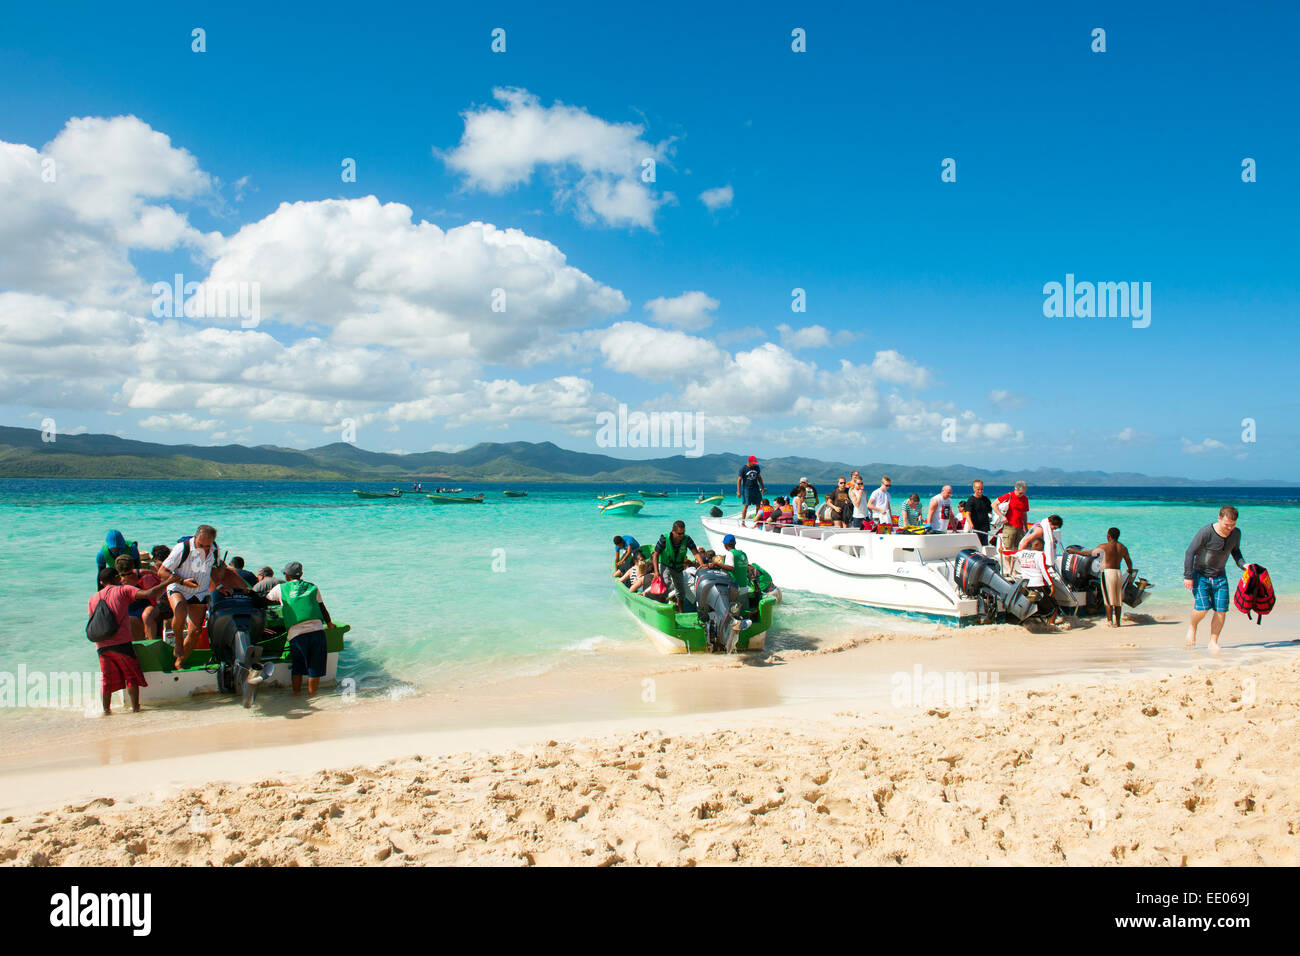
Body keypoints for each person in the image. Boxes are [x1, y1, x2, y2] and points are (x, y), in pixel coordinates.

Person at [89, 566, 173, 714]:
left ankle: (106, 711)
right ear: (117, 578)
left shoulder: (93, 598)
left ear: (101, 582)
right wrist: (169, 581)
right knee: (131, 677)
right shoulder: (123, 590)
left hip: (101, 645)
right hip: (121, 643)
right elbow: (149, 593)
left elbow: (92, 620)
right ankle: (135, 709)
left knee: (106, 680)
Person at [155, 524, 219, 670]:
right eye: (200, 545)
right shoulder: (182, 549)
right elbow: (162, 572)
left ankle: (180, 661)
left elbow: (214, 570)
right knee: (180, 610)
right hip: (178, 587)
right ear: (195, 538)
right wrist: (183, 581)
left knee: (196, 631)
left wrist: (220, 587)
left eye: (207, 546)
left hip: (200, 591)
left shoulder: (215, 549)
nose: (204, 548)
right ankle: (178, 643)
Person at [1183, 506, 1247, 652]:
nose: (1230, 528)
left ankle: (1213, 641)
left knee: (1221, 610)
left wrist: (1244, 565)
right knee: (1202, 608)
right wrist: (1188, 576)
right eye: (1227, 524)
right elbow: (1190, 552)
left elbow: (1235, 551)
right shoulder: (1207, 532)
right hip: (1200, 575)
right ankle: (1193, 627)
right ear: (1219, 518)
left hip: (1220, 576)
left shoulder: (1236, 533)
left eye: (1233, 525)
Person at [265, 561, 333, 696]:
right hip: (317, 631)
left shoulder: (280, 588)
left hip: (297, 634)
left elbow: (267, 599)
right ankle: (312, 694)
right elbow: (322, 608)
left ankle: (297, 695)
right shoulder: (312, 586)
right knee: (315, 667)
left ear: (286, 575)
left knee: (298, 667)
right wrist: (329, 623)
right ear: (301, 574)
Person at [652, 521, 700, 613]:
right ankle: (662, 610)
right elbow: (655, 555)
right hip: (665, 565)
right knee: (665, 585)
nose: (682, 535)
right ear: (673, 532)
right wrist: (656, 571)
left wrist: (702, 564)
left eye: (683, 533)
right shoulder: (664, 539)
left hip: (678, 567)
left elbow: (695, 553)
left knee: (681, 592)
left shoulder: (687, 539)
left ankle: (681, 612)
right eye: (679, 533)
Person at [1013, 540, 1063, 625]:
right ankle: (1051, 625)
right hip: (1039, 585)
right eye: (1042, 547)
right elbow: (1044, 571)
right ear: (1036, 545)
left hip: (1026, 586)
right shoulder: (1039, 555)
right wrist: (1051, 585)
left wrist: (1001, 550)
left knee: (1029, 606)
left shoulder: (1022, 553)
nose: (1042, 549)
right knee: (1054, 607)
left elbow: (1008, 553)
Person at [1091, 528, 1133, 627]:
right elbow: (1128, 560)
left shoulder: (1104, 546)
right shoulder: (1122, 547)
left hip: (1107, 573)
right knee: (1118, 599)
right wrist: (1130, 569)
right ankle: (1117, 623)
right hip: (1118, 573)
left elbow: (1089, 553)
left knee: (1108, 599)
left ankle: (1110, 622)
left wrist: (1075, 551)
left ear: (1109, 535)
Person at [996, 481, 1031, 552]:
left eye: (1023, 493)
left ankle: (1012, 563)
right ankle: (1008, 563)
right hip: (1009, 526)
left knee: (1018, 549)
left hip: (1020, 527)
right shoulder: (1008, 496)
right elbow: (994, 504)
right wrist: (1001, 516)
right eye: (1020, 493)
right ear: (1016, 489)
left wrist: (1026, 528)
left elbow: (1024, 514)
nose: (1022, 495)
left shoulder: (1025, 499)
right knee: (1007, 548)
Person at [737, 456, 765, 526]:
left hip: (756, 488)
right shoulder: (743, 468)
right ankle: (743, 522)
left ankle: (756, 521)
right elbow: (739, 480)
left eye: (755, 462)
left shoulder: (756, 467)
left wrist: (763, 487)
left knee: (758, 505)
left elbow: (759, 477)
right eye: (753, 462)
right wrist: (738, 491)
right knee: (746, 505)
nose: (754, 464)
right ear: (749, 461)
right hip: (747, 489)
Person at [965, 480, 993, 545]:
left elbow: (990, 511)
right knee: (976, 546)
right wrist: (970, 524)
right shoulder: (971, 500)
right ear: (974, 489)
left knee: (984, 546)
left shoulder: (986, 499)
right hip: (975, 528)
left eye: (982, 489)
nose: (980, 491)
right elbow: (967, 514)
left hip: (985, 528)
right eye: (978, 489)